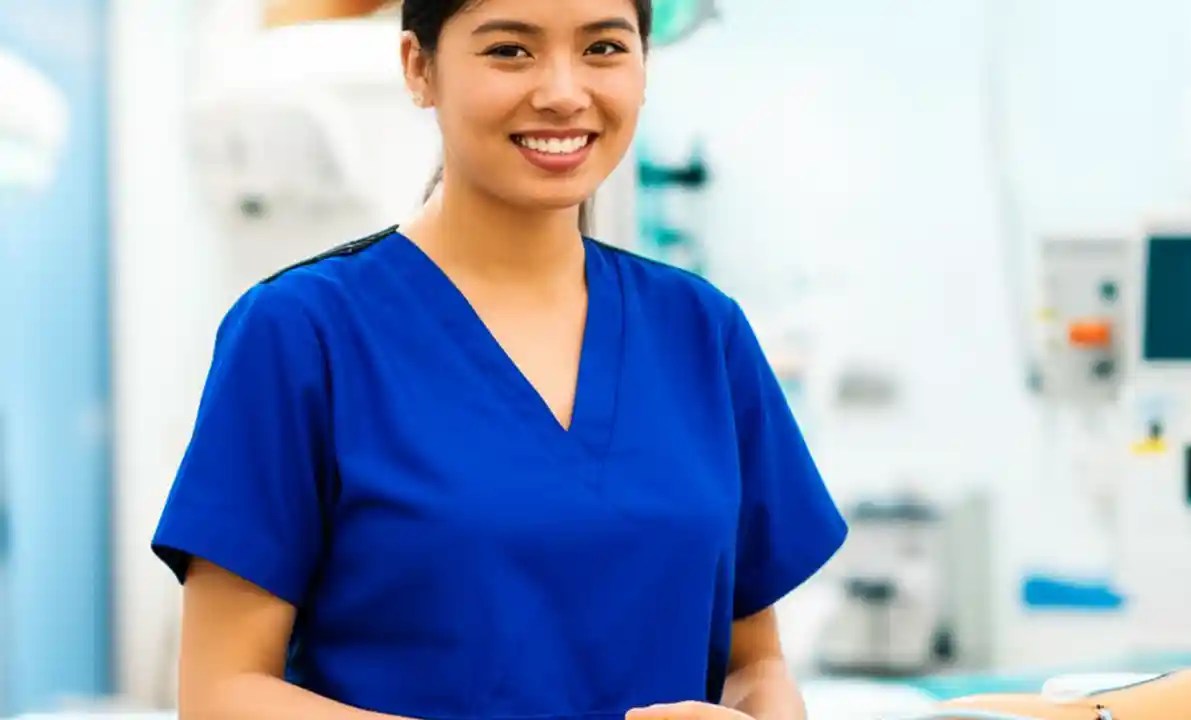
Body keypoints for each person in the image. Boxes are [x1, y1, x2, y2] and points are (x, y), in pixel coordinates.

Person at [150, 1, 848, 719]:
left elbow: (755, 665)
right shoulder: (302, 332)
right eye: (510, 50)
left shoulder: (702, 331)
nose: (563, 92)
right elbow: (222, 693)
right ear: (419, 68)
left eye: (604, 48)